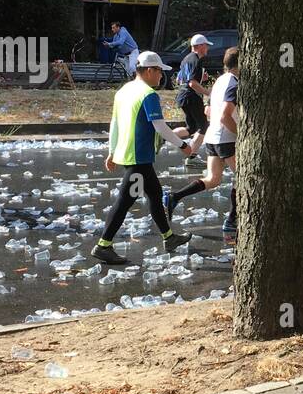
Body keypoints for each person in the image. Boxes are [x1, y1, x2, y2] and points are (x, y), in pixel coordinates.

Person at [91, 51, 195, 264]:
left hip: (134, 156)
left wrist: (112, 151)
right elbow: (159, 126)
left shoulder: (123, 91)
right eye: (159, 72)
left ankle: (169, 237)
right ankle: (103, 245)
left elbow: (115, 124)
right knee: (124, 201)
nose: (161, 77)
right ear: (149, 70)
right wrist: (183, 145)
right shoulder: (148, 94)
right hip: (137, 158)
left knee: (155, 195)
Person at [163, 47, 239, 235]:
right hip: (226, 138)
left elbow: (208, 110)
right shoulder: (234, 84)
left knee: (212, 179)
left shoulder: (220, 81)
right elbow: (224, 116)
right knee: (244, 178)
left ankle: (175, 196)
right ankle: (232, 220)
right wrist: (240, 134)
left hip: (213, 136)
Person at [175, 34, 210, 146]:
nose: (207, 48)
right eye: (206, 45)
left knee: (191, 128)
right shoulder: (195, 60)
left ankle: (164, 136)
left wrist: (201, 79)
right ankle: (192, 156)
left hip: (183, 96)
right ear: (200, 46)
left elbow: (179, 79)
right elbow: (192, 83)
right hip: (191, 97)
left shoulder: (186, 59)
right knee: (203, 126)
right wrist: (207, 92)